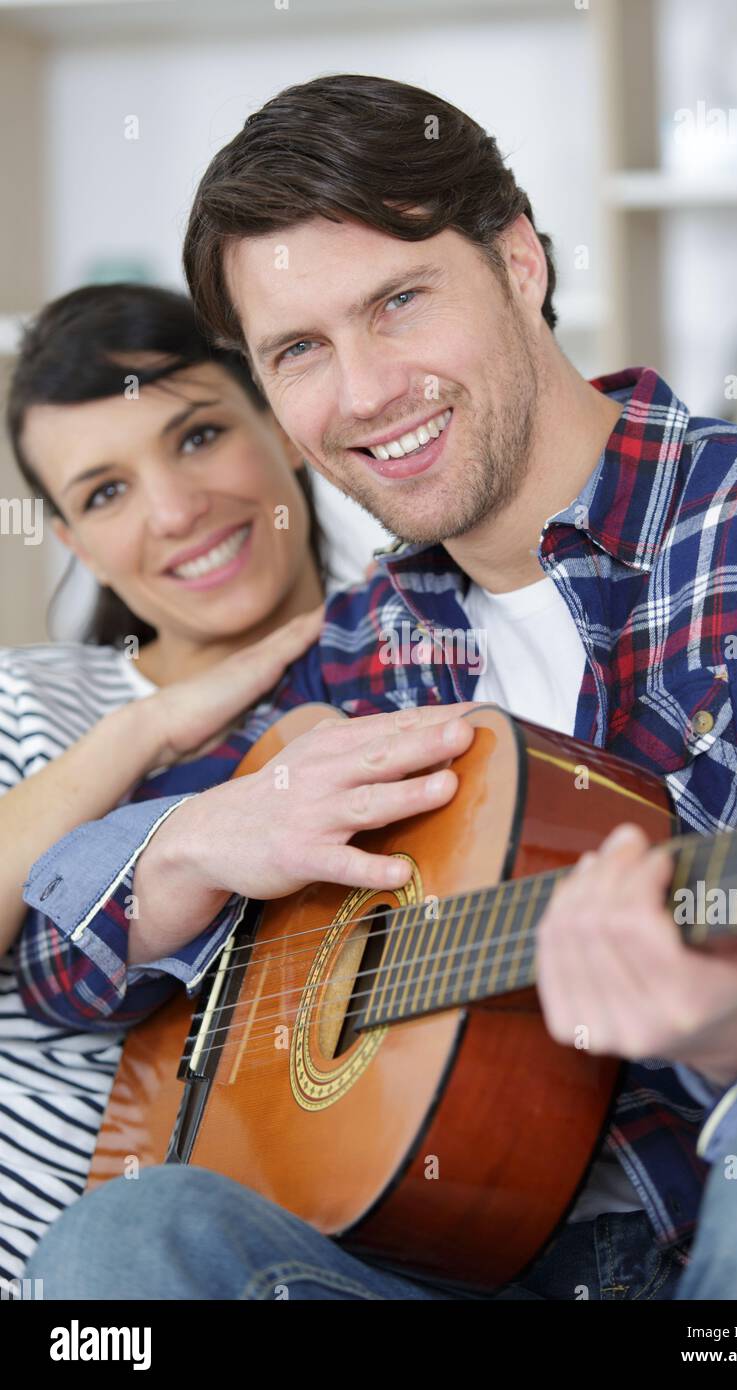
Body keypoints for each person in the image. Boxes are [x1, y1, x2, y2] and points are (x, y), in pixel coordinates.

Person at [18, 75, 737, 1300]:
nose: (362, 394)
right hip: (440, 1268)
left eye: (398, 301)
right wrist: (197, 841)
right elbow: (56, 958)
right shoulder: (352, 650)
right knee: (125, 1242)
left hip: (722, 1246)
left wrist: (730, 1021)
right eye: (299, 350)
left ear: (518, 262)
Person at [0, 281, 466, 1287]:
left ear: (283, 421)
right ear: (75, 547)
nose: (175, 509)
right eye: (105, 493)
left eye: (200, 435)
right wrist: (147, 726)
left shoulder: (421, 659)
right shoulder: (25, 700)